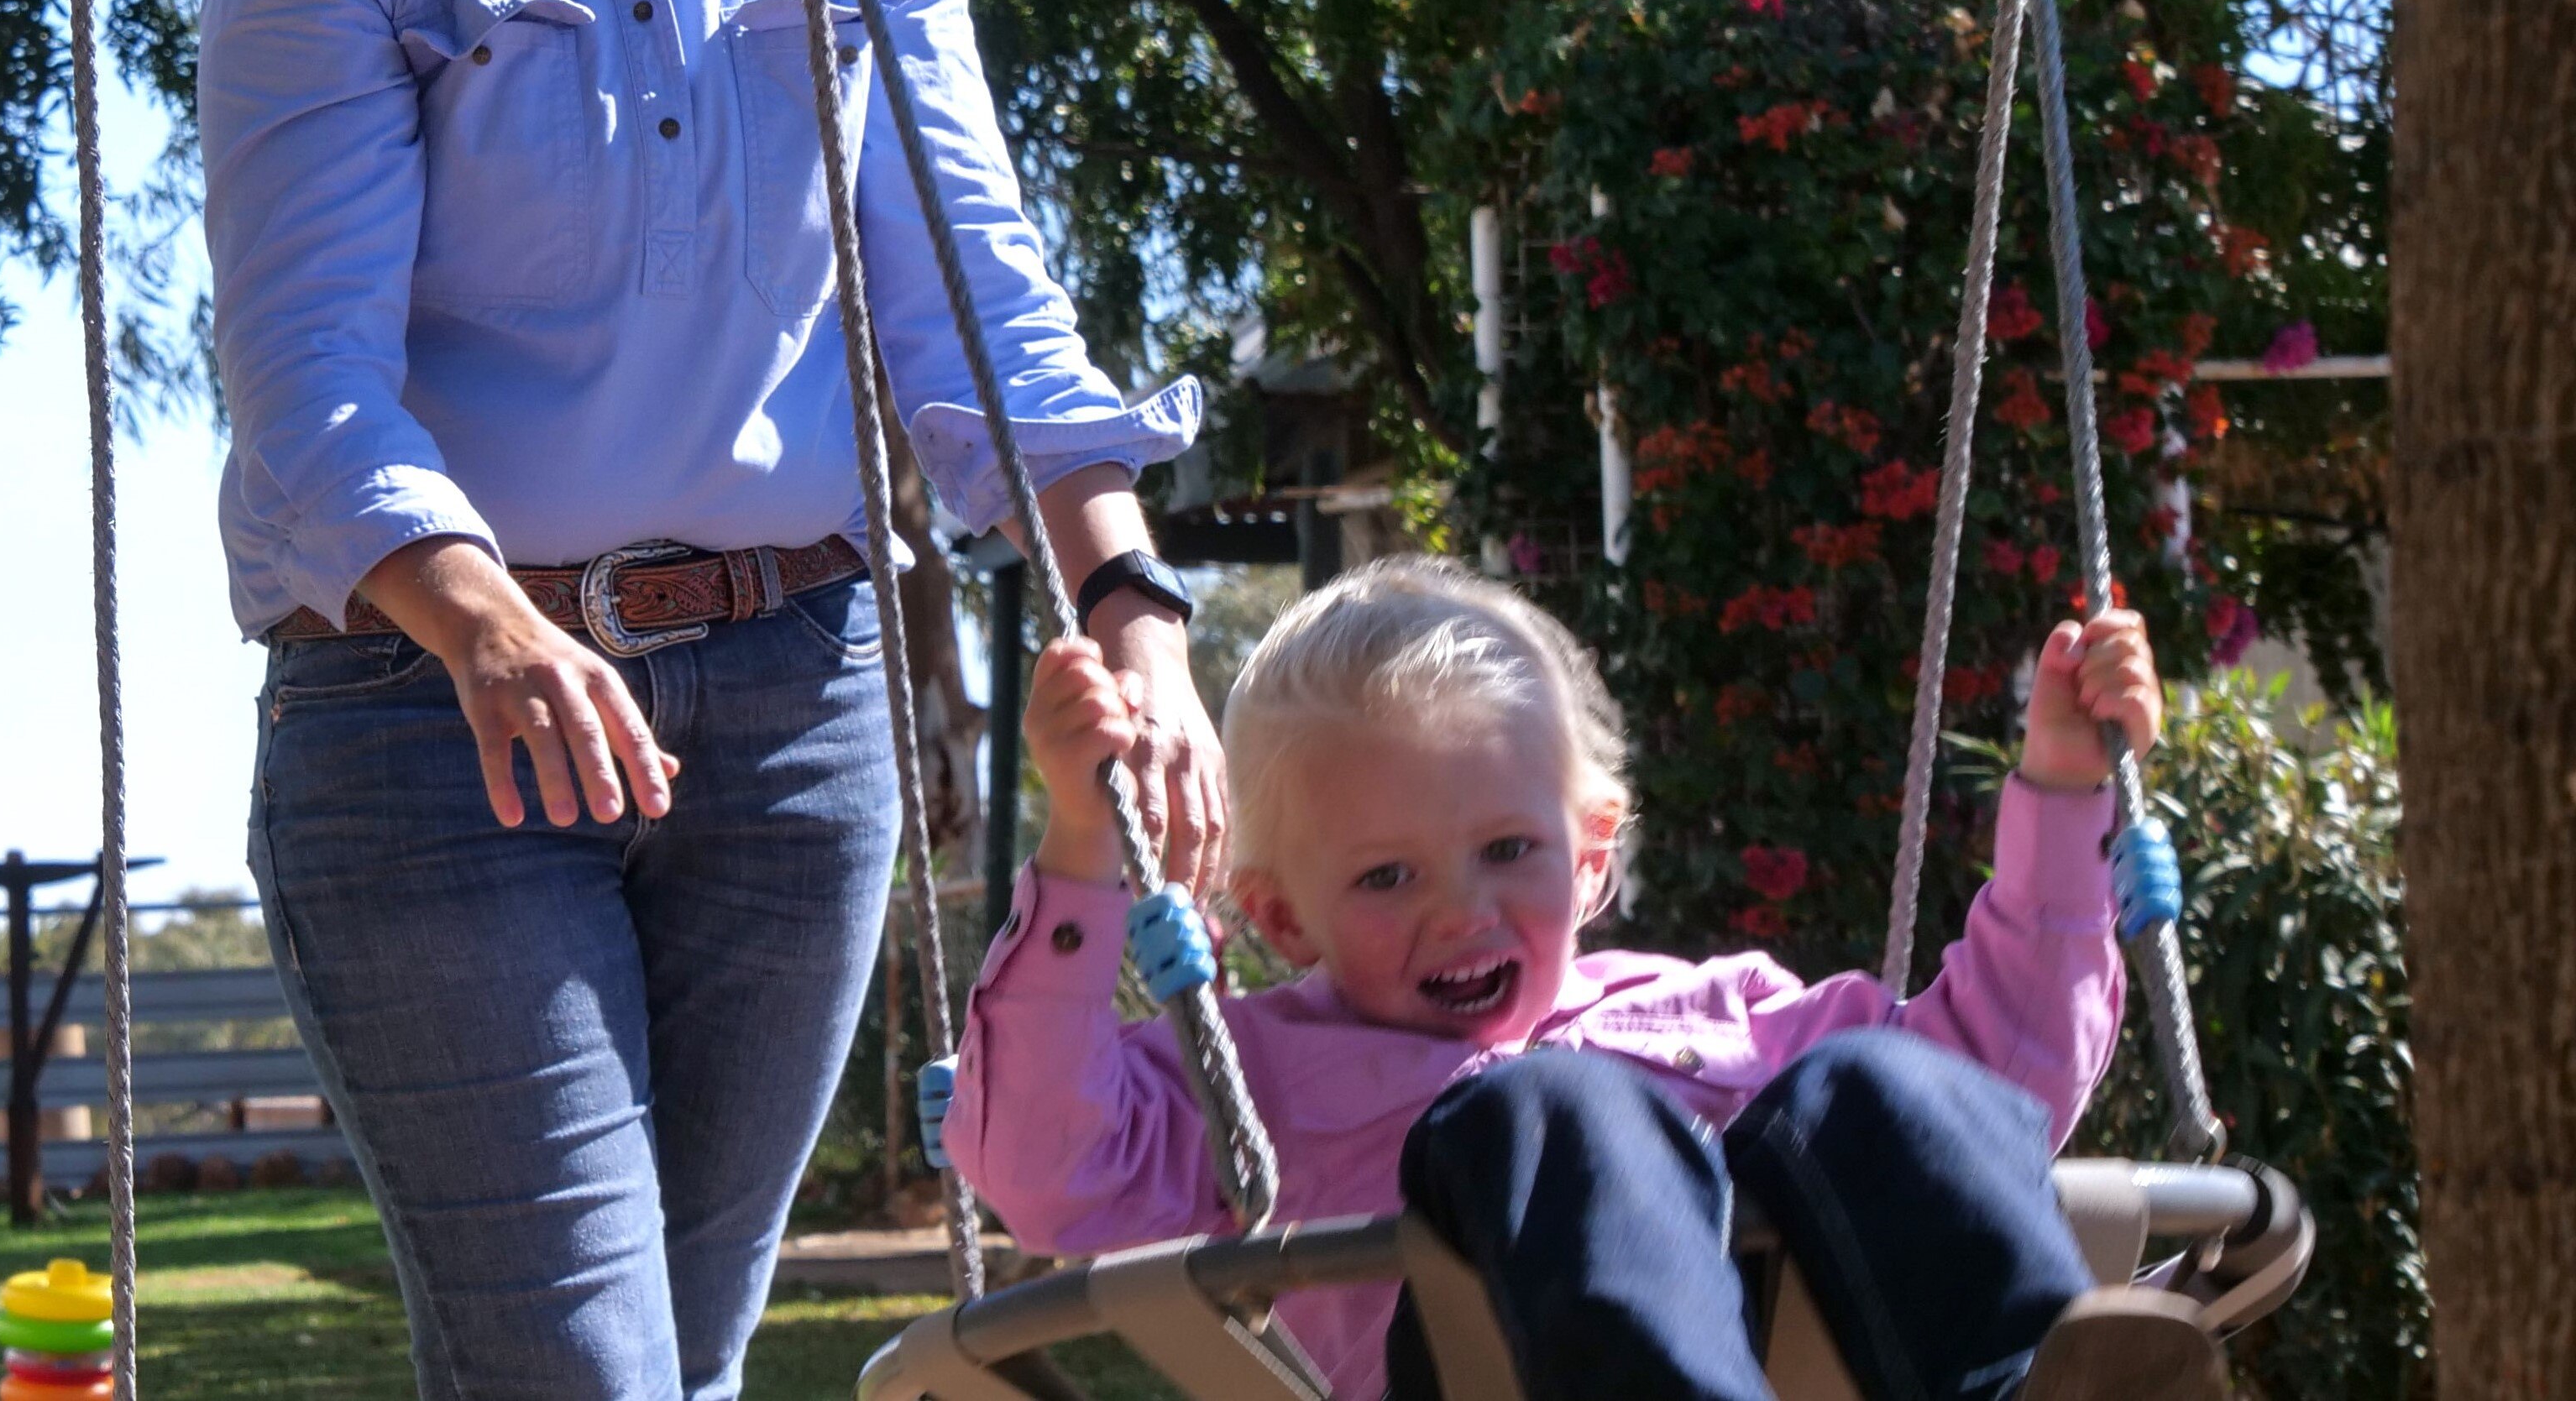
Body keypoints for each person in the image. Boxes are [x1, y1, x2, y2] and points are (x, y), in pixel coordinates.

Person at [203, 0, 1224, 1401]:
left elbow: (974, 298)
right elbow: (306, 375)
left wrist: (1128, 595)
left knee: (683, 1366)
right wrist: (485, 623)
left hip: (790, 711)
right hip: (433, 724)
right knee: (584, 1371)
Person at [948, 557, 2228, 1401]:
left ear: (1594, 850)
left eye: (1510, 850)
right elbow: (1044, 1163)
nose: (1462, 910)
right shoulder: (1245, 1081)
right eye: (1385, 878)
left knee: (1881, 1079)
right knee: (1546, 1109)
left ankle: (2024, 1378)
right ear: (1284, 917)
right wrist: (1077, 852)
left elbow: (2006, 1073)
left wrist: (2063, 787)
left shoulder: (1710, 1013)